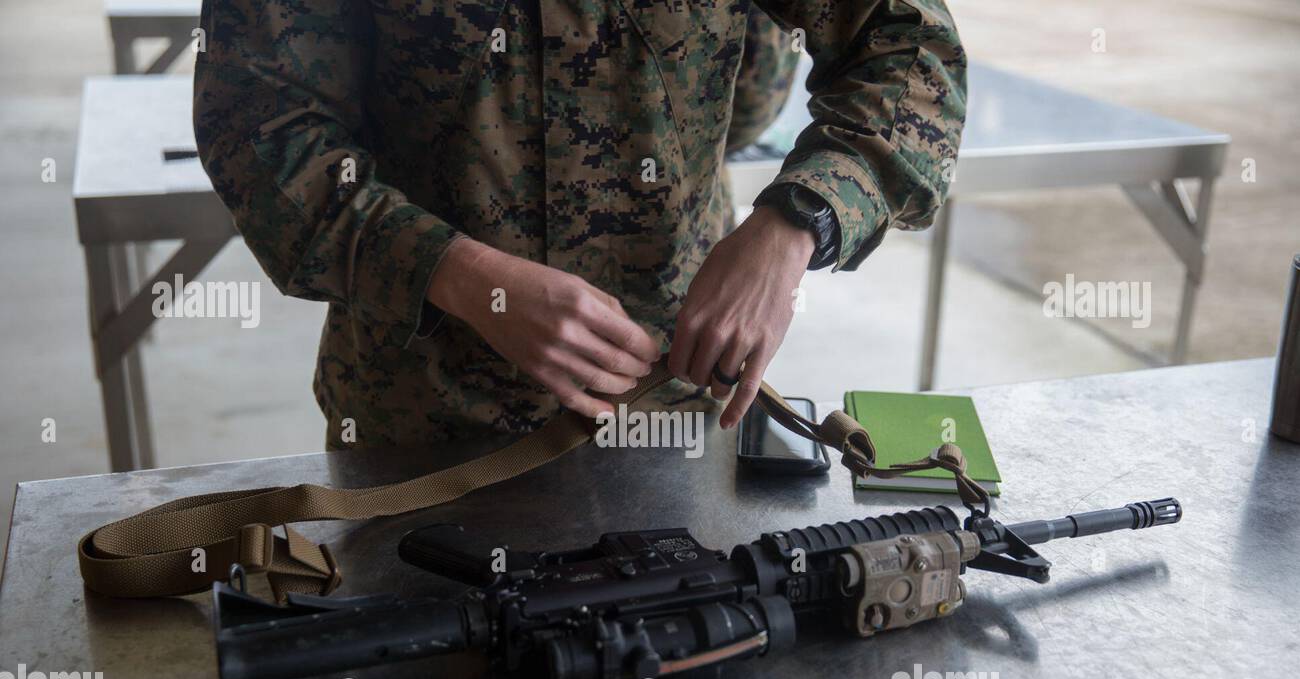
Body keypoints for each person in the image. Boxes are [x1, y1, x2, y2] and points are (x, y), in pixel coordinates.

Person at [194, 0, 965, 448]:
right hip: (421, 427)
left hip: (675, 405)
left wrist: (796, 223)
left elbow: (911, 51)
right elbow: (260, 124)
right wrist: (455, 273)